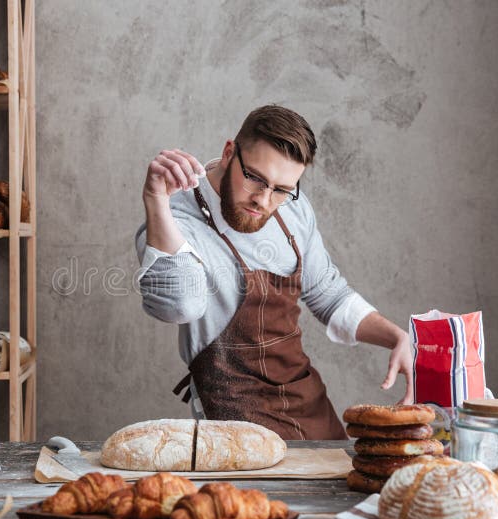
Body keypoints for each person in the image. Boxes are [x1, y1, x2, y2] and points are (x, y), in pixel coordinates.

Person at [135, 105, 413, 440]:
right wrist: (155, 200)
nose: (263, 200)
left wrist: (397, 337)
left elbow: (327, 293)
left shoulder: (293, 206)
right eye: (254, 178)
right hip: (234, 419)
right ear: (228, 153)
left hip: (306, 402)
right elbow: (178, 307)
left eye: (281, 189)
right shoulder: (174, 220)